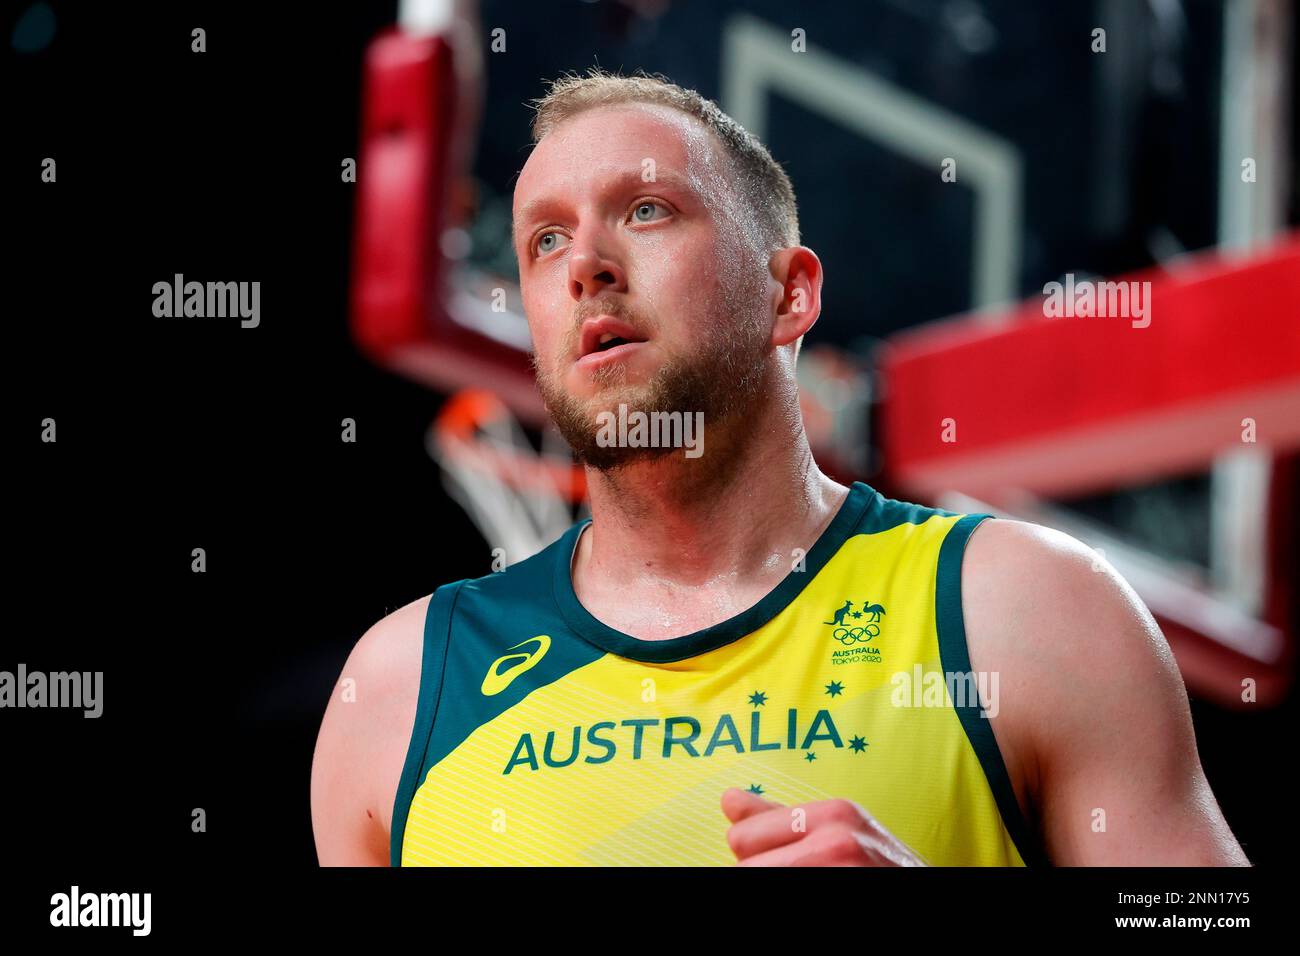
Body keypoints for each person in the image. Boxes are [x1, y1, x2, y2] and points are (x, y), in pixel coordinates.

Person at [311, 68, 1250, 867]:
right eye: (544, 239)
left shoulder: (1026, 609)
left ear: (788, 293)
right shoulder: (397, 690)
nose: (584, 264)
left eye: (645, 210)